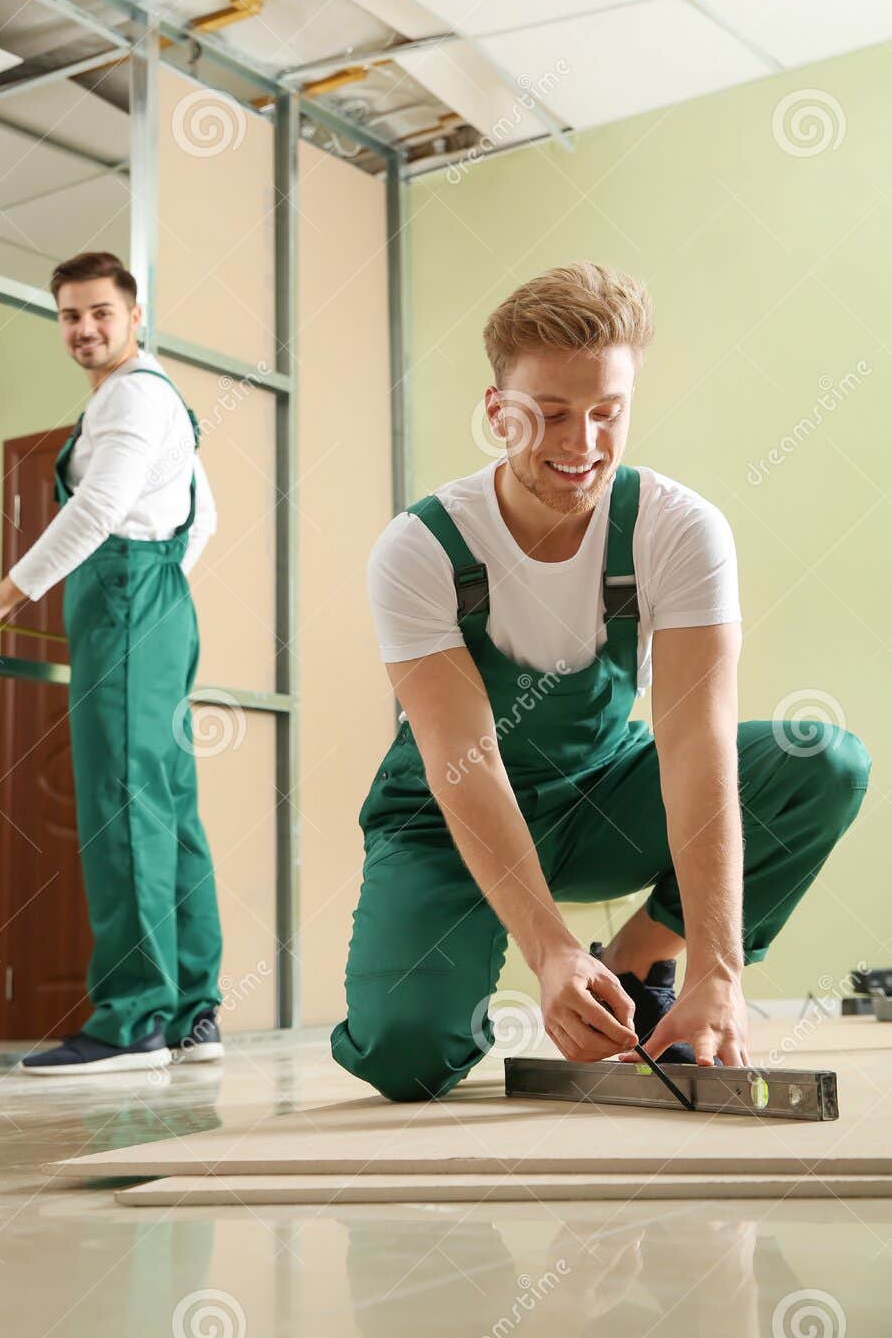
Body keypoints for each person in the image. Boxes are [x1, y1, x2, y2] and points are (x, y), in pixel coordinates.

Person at [331, 262, 870, 1101]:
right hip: (450, 817)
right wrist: (547, 951)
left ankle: (644, 952)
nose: (579, 443)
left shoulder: (678, 530)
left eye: (605, 413)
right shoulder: (421, 549)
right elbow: (459, 759)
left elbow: (696, 745)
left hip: (599, 800)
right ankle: (494, 986)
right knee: (406, 1053)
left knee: (820, 761)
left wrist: (715, 972)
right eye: (548, 414)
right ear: (494, 411)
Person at [0, 250, 223, 1076]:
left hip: (130, 601)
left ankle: (134, 1020)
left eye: (101, 312)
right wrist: (159, 589)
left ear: (134, 316)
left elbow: (103, 506)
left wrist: (6, 592)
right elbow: (202, 514)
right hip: (156, 605)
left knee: (122, 803)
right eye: (70, 315)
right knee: (167, 808)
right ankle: (190, 1013)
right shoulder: (155, 398)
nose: (84, 329)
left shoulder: (131, 399)